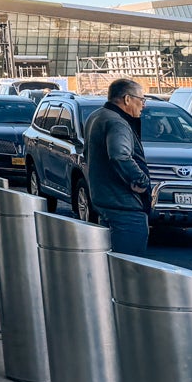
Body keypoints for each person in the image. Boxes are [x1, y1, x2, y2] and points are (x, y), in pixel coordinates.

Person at [82, 78, 152, 256]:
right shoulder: (118, 122)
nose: (143, 105)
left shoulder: (96, 116)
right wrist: (141, 180)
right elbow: (120, 155)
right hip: (124, 204)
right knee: (130, 266)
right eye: (141, 100)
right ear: (127, 99)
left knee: (112, 263)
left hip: (105, 199)